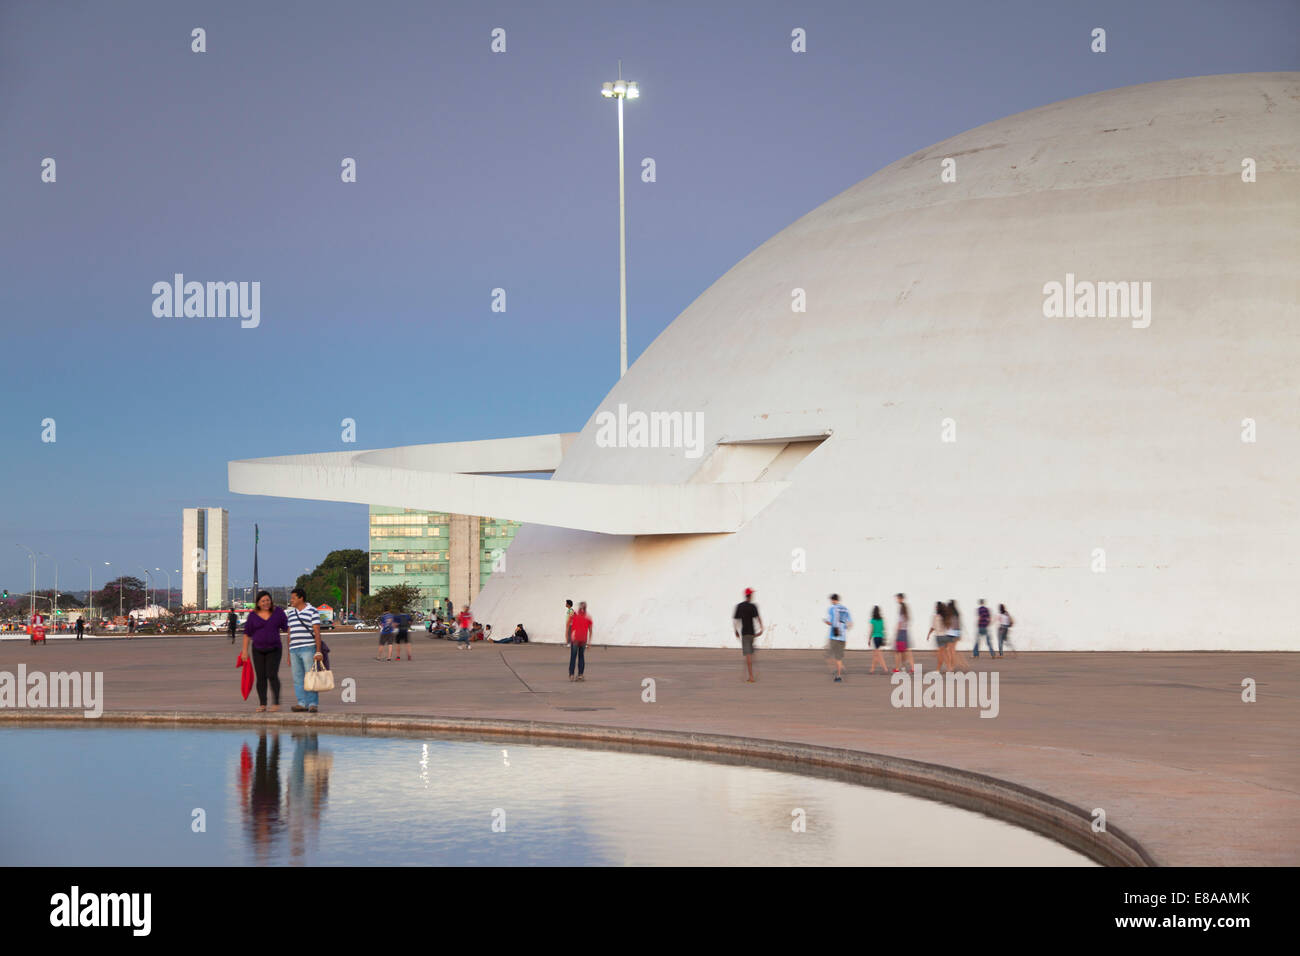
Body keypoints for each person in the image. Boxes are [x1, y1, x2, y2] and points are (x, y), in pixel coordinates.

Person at [240, 591, 289, 712]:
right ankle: (263, 704)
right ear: (258, 603)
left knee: (272, 674)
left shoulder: (278, 612)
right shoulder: (253, 616)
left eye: (268, 600)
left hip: (274, 649)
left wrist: (291, 646)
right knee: (261, 677)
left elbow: (287, 628)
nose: (266, 603)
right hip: (258, 650)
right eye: (263, 601)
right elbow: (247, 634)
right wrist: (244, 651)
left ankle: (276, 703)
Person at [285, 587, 324, 713]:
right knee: (297, 678)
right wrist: (288, 653)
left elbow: (317, 632)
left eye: (293, 598)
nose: (291, 600)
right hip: (294, 649)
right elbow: (289, 633)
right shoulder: (291, 614)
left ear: (301, 598)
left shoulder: (312, 611)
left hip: (308, 648)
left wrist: (318, 651)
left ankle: (312, 703)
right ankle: (302, 703)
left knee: (310, 676)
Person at [732, 587, 763, 683]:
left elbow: (736, 620)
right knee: (750, 653)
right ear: (750, 596)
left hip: (745, 633)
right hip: (752, 633)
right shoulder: (753, 606)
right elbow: (758, 618)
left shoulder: (740, 606)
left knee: (748, 655)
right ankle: (751, 672)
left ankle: (751, 677)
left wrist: (736, 631)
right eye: (752, 594)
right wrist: (761, 628)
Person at [824, 594, 852, 682]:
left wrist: (825, 621)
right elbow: (850, 623)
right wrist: (844, 628)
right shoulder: (845, 609)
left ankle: (837, 671)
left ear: (833, 600)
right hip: (842, 637)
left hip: (834, 636)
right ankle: (839, 671)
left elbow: (829, 622)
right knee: (838, 658)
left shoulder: (832, 608)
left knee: (828, 655)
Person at [568, 601, 592, 681]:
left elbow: (569, 626)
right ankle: (580, 675)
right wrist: (589, 642)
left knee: (573, 657)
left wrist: (569, 638)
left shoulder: (574, 615)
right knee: (581, 657)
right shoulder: (588, 617)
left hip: (575, 639)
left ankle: (571, 675)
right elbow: (590, 630)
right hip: (583, 640)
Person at [893, 593, 914, 673]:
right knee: (907, 651)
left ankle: (897, 668)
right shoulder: (906, 612)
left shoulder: (901, 611)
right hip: (905, 631)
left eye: (898, 598)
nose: (897, 600)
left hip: (901, 632)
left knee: (898, 651)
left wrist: (896, 633)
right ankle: (912, 667)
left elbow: (899, 623)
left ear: (901, 599)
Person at [868, 605, 889, 674]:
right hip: (881, 637)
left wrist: (869, 639)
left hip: (875, 638)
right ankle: (872, 669)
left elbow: (871, 630)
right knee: (876, 655)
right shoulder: (881, 620)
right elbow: (883, 629)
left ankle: (885, 669)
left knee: (879, 655)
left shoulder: (872, 620)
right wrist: (885, 638)